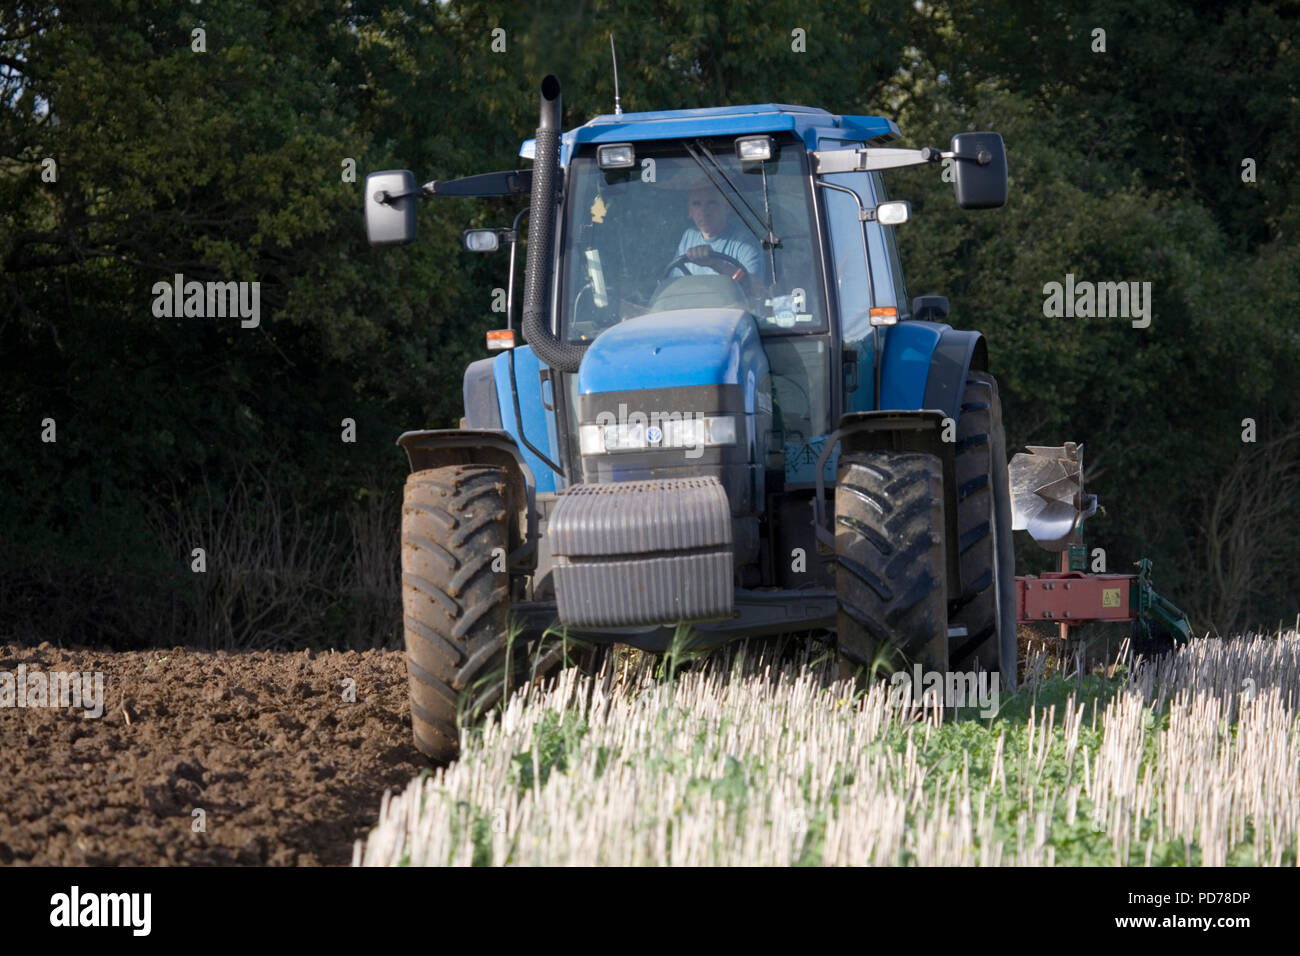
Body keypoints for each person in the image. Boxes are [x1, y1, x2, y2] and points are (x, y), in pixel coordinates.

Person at [674, 185, 762, 278]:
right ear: (690, 211)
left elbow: (755, 288)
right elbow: (674, 280)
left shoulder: (745, 242)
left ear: (727, 207)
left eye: (712, 203)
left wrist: (717, 264)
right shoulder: (689, 236)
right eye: (697, 204)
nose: (704, 211)